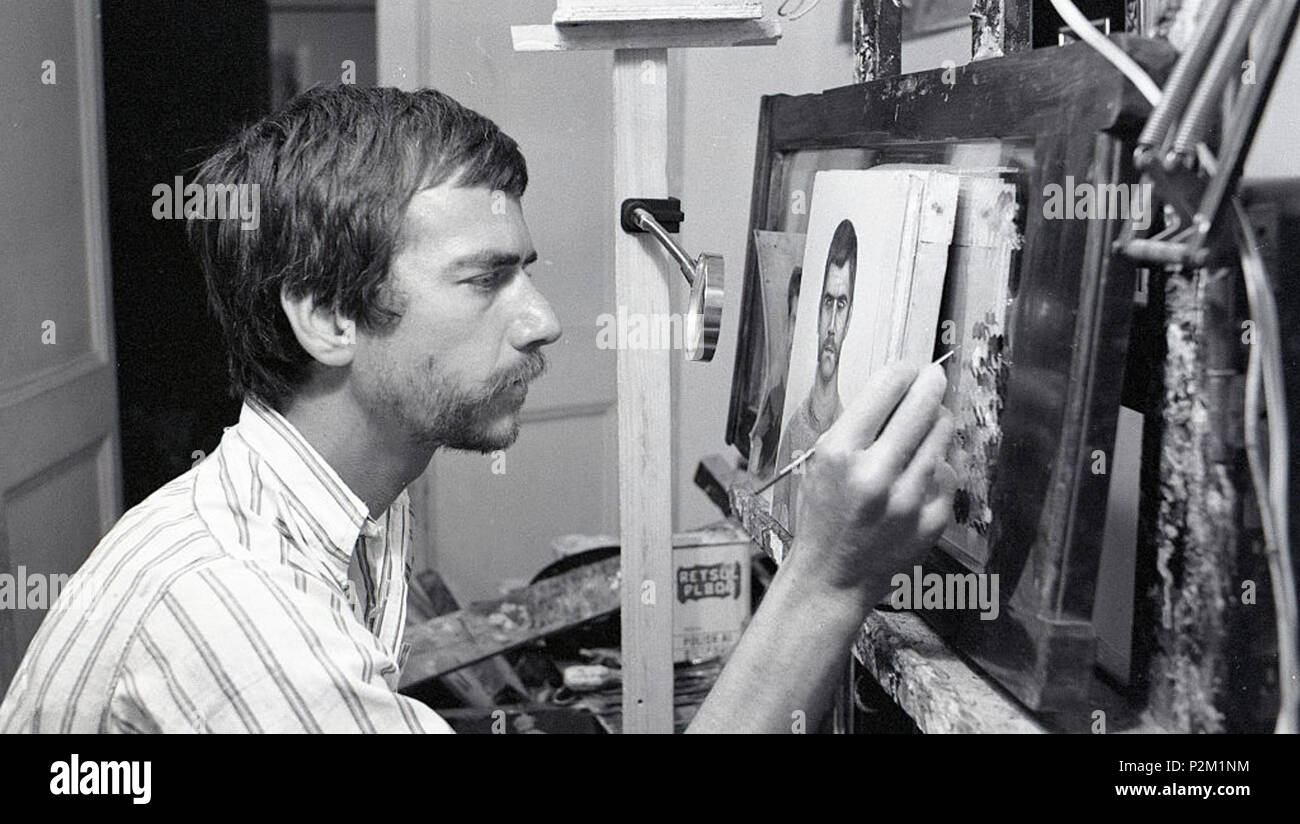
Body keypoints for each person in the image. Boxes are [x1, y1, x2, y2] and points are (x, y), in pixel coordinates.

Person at [0, 86, 953, 734]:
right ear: (328, 315)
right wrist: (828, 575)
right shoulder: (226, 612)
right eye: (484, 280)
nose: (541, 322)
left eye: (524, 273)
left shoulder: (347, 502)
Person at [774, 219, 857, 537]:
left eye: (842, 304)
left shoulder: (853, 439)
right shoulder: (793, 433)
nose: (832, 324)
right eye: (827, 302)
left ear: (849, 318)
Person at [751, 266, 801, 479]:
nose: (793, 339)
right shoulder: (776, 396)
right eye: (793, 320)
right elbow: (758, 474)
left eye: (803, 326)